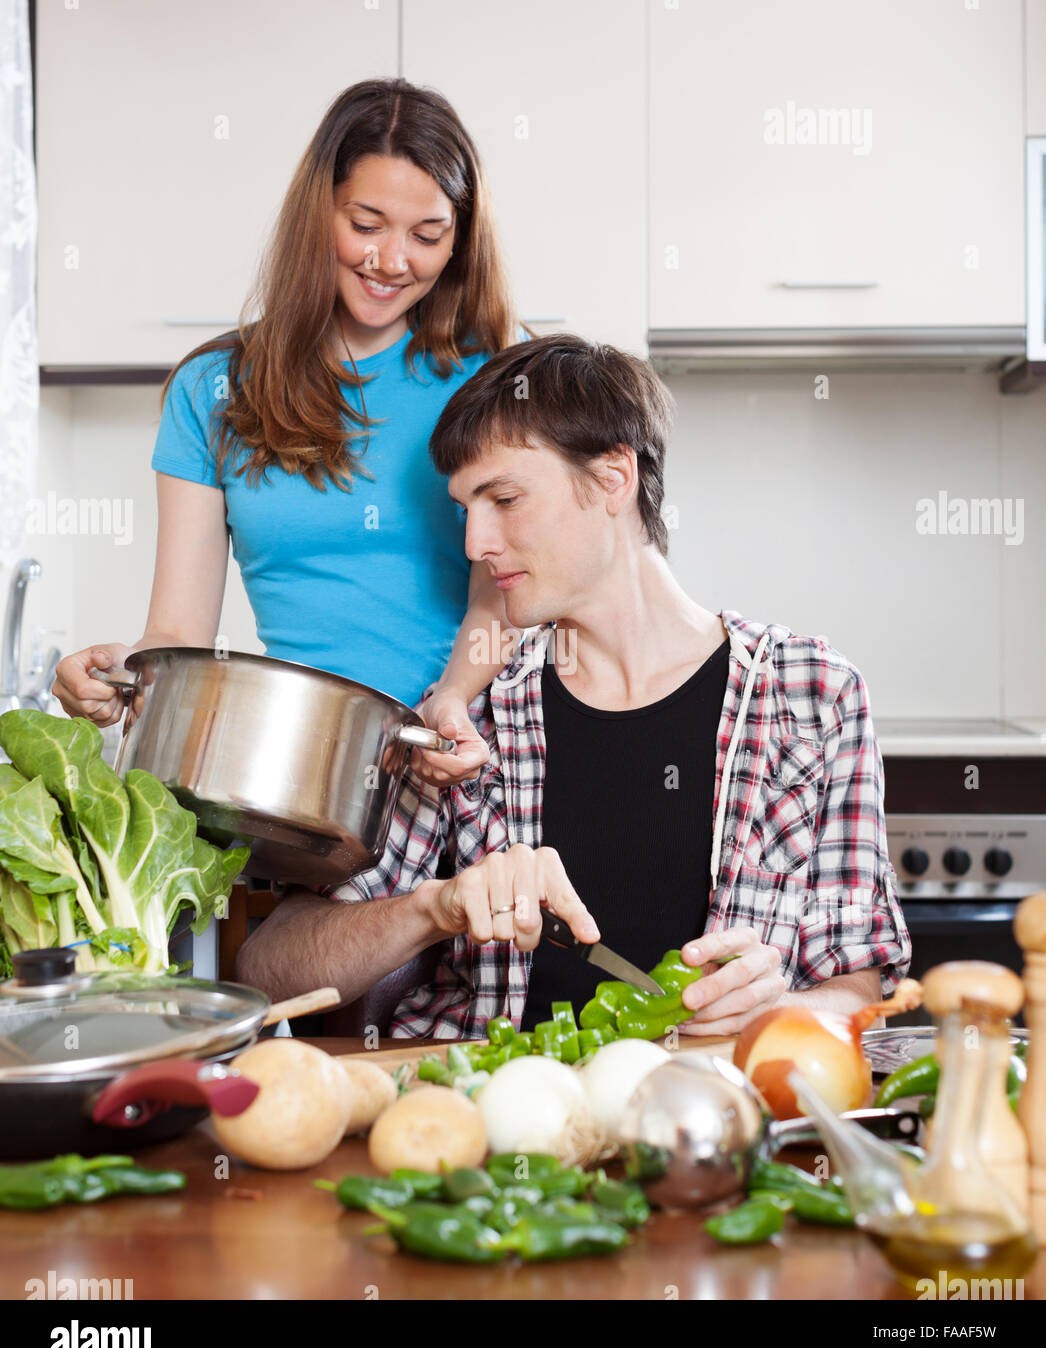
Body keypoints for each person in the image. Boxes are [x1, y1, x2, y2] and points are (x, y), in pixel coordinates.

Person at [236, 335, 911, 1038]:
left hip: (713, 1128)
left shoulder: (814, 697)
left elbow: (860, 990)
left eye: (503, 498)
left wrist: (781, 1009)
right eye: (467, 509)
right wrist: (433, 908)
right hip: (493, 1128)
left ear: (614, 478)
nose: (474, 544)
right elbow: (270, 971)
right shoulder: (469, 725)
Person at [51, 78, 526, 785]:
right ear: (317, 213)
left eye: (427, 236)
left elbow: (505, 589)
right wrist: (115, 677)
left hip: (471, 743)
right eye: (365, 226)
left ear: (458, 241)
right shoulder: (211, 391)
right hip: (302, 764)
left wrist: (451, 699)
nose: (392, 261)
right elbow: (179, 633)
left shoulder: (493, 377)